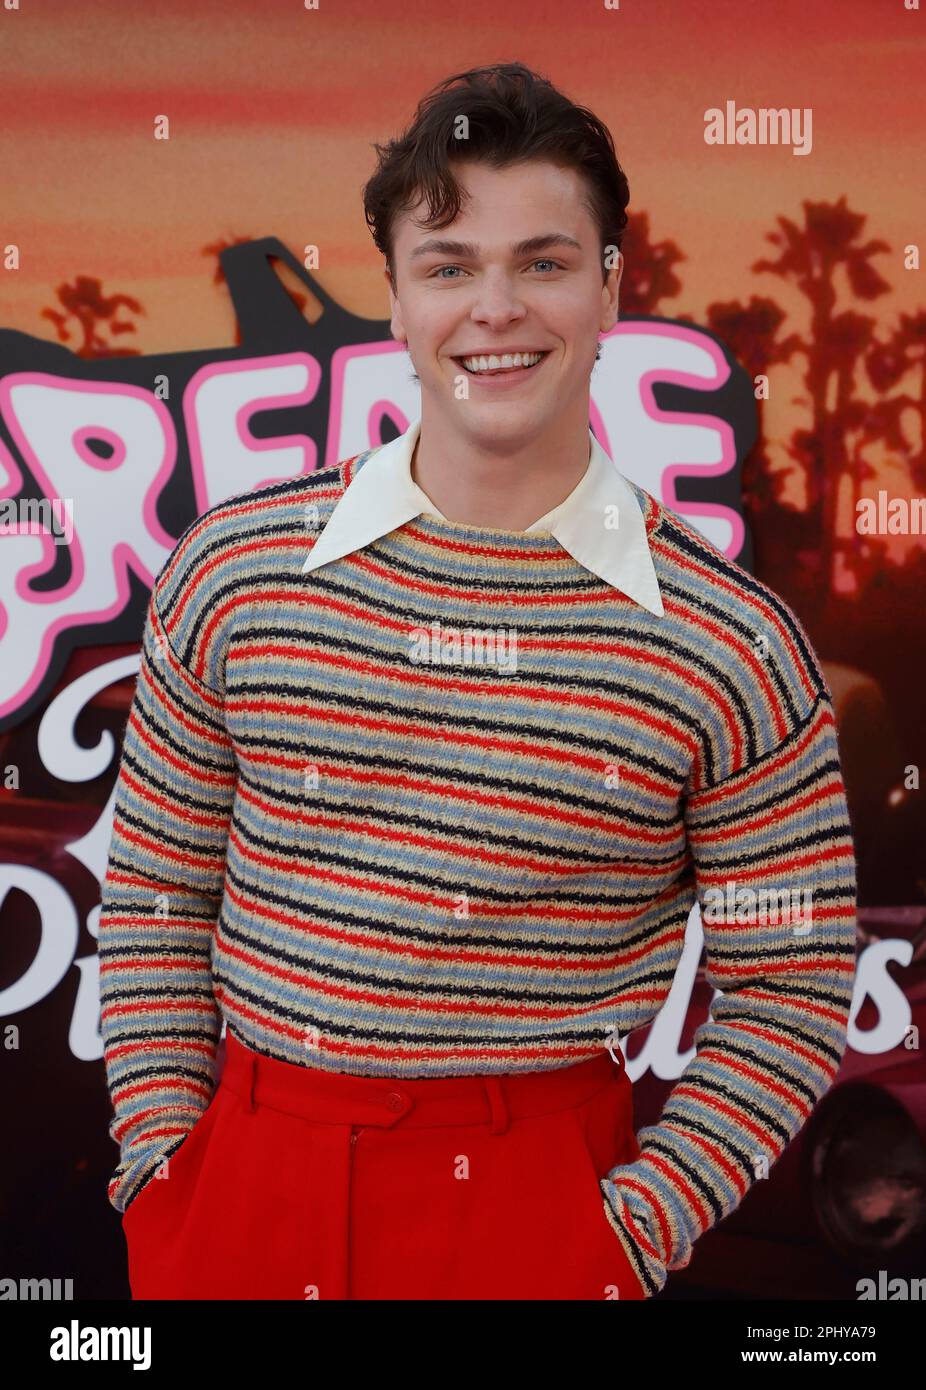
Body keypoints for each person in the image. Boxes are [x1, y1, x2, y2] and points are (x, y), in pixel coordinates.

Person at [97, 61, 858, 1301]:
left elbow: (791, 981)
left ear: (612, 286)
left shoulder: (731, 644)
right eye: (448, 265)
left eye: (544, 262)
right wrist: (163, 1165)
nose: (493, 308)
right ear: (393, 300)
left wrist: (627, 1231)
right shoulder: (232, 571)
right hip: (238, 1191)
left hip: (538, 1217)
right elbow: (154, 896)